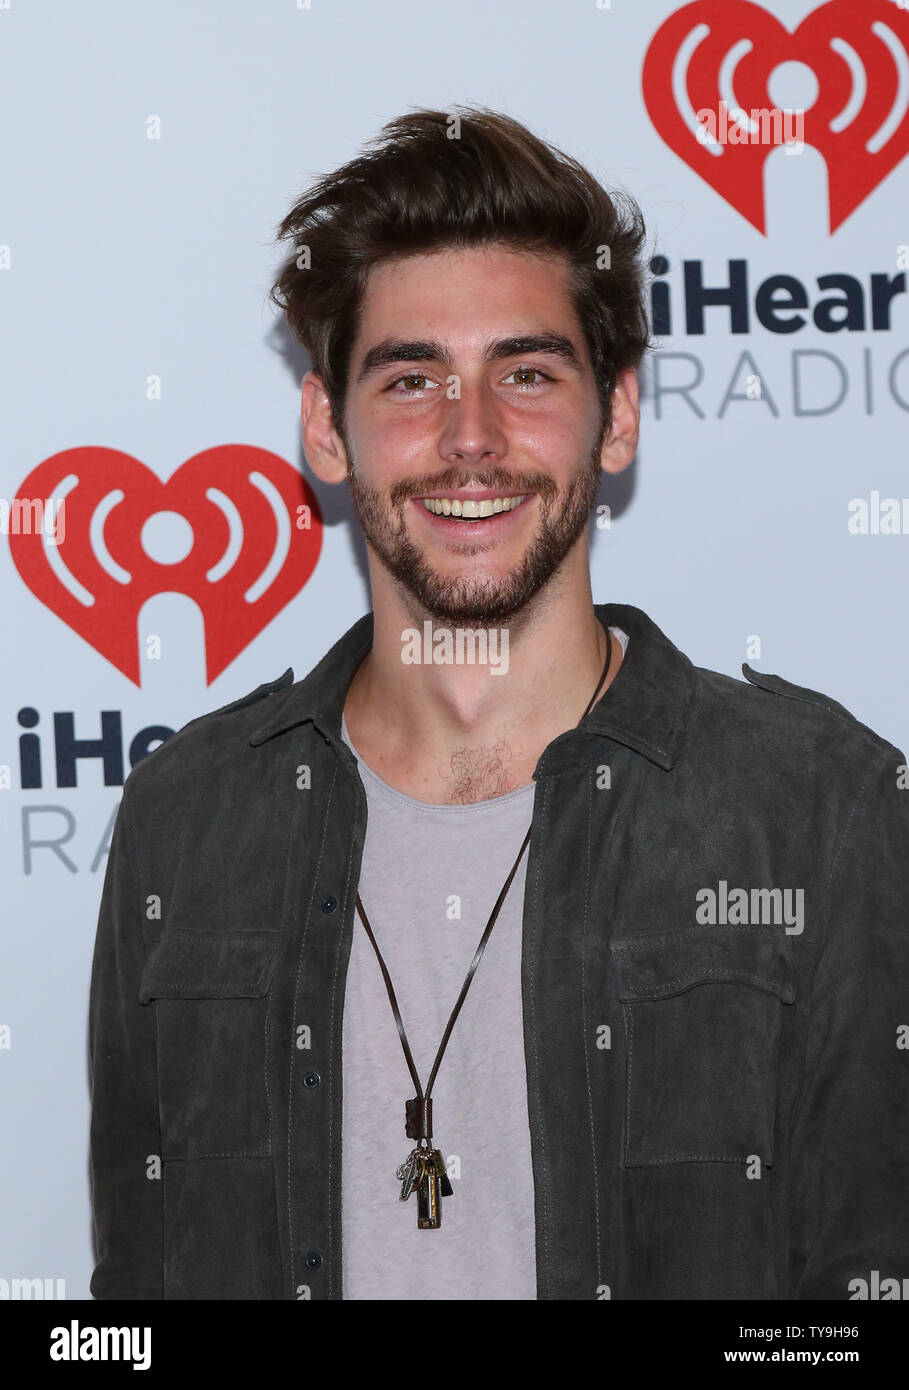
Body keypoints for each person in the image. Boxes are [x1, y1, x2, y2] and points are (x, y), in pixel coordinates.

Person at [88, 105, 909, 1301]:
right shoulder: (187, 820)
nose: (471, 439)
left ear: (615, 414)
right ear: (328, 428)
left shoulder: (822, 808)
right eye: (412, 378)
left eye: (526, 373)